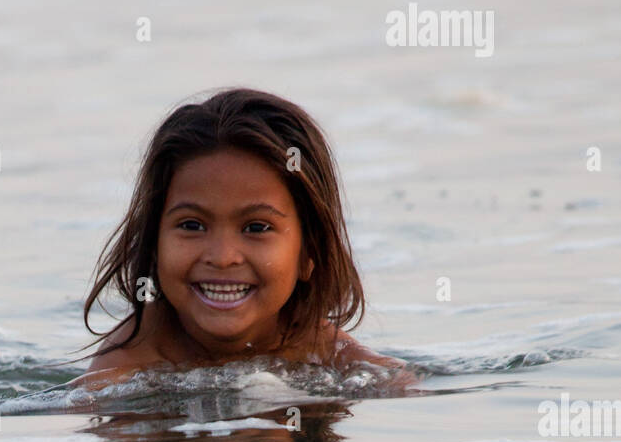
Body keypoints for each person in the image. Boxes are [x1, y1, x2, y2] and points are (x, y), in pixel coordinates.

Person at [66, 87, 413, 391]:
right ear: (153, 243)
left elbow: (402, 387)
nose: (222, 256)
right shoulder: (127, 365)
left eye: (256, 228)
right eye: (192, 225)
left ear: (310, 252)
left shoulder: (329, 355)